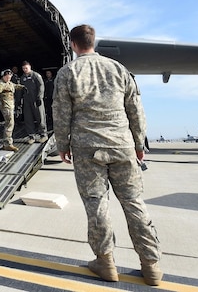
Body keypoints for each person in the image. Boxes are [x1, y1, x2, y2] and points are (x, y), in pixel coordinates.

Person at [53, 24, 162, 286]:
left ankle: (106, 261)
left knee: (97, 204)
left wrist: (62, 144)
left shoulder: (69, 72)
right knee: (134, 202)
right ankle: (151, 265)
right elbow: (135, 109)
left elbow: (61, 112)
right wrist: (138, 143)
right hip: (122, 145)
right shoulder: (118, 69)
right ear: (94, 42)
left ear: (73, 44)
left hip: (87, 147)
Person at [0, 68, 24, 151]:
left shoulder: (9, 83)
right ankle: (8, 144)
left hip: (10, 105)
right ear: (4, 76)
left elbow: (14, 85)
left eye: (10, 76)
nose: (9, 78)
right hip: (5, 105)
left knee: (9, 123)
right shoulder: (1, 83)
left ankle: (6, 143)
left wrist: (22, 87)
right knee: (10, 123)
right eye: (7, 76)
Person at [19, 60, 47, 143]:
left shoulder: (36, 76)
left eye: (26, 68)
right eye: (23, 68)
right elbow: (21, 89)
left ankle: (43, 134)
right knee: (28, 118)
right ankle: (31, 136)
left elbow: (41, 86)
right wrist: (19, 100)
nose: (25, 70)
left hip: (36, 99)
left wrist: (40, 97)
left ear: (30, 67)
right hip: (27, 100)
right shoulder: (22, 78)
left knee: (40, 117)